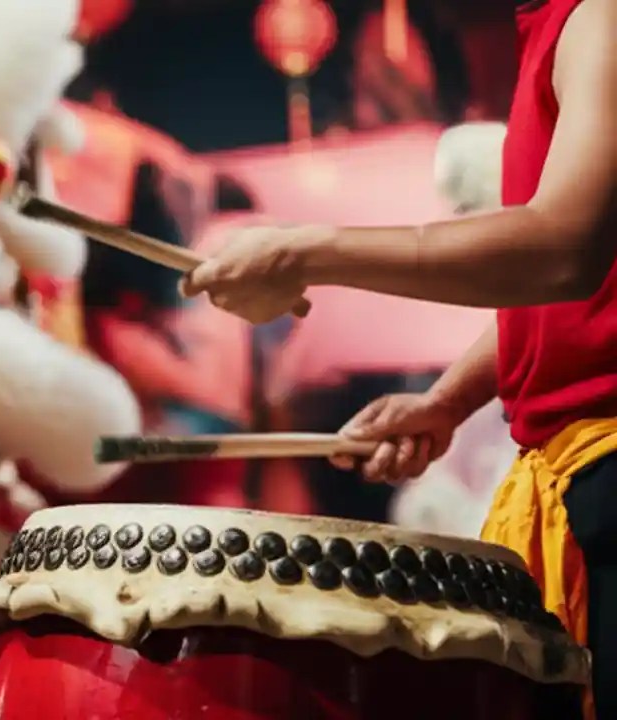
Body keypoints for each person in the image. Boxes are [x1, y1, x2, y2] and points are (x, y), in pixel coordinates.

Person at [179, 0, 617, 717]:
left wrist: (308, 250)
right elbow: (583, 289)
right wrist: (449, 399)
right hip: (575, 475)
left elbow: (564, 248)